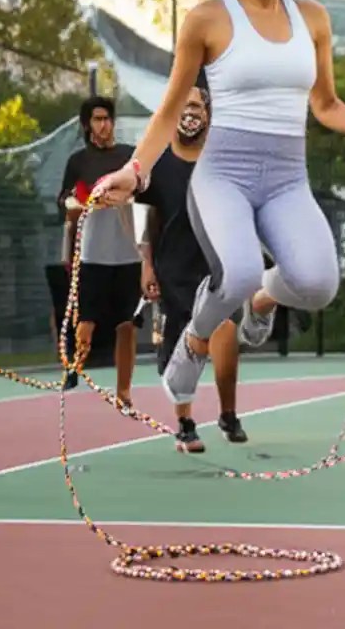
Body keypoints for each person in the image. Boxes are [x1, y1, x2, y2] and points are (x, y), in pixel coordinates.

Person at [93, 0, 345, 407]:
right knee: (237, 271)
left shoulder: (312, 18)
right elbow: (169, 111)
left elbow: (324, 104)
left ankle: (262, 302)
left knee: (318, 284)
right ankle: (193, 342)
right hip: (223, 177)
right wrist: (133, 171)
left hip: (286, 180)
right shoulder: (208, 20)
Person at [135, 84, 248, 452]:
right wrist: (147, 266)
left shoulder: (220, 161)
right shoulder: (160, 161)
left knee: (225, 336)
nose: (190, 112)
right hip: (174, 270)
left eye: (197, 106)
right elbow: (147, 219)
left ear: (209, 114)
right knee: (184, 346)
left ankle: (228, 413)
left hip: (217, 267)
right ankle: (185, 424)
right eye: (184, 105)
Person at [57, 96, 143, 406]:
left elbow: (145, 190)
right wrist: (76, 206)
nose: (103, 125)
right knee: (86, 323)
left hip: (129, 254)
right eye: (97, 119)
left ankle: (124, 392)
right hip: (92, 254)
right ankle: (74, 367)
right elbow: (63, 201)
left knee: (127, 325)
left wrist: (126, 198)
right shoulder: (78, 162)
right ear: (86, 124)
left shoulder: (130, 157)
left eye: (107, 118)